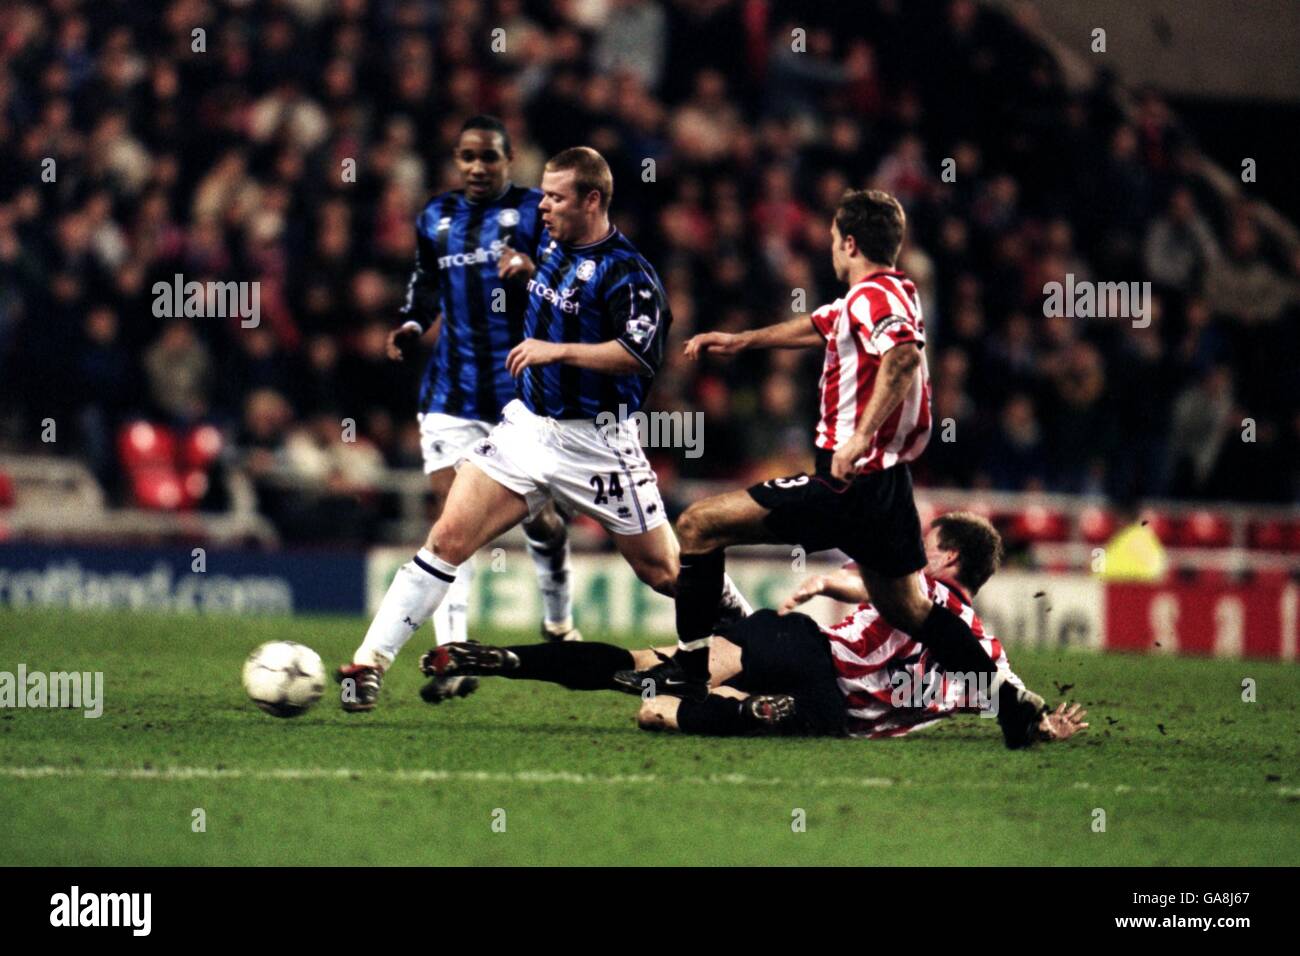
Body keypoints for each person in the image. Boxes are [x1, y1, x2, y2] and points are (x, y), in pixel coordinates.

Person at [614, 188, 1048, 748]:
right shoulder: (888, 294)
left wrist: (860, 436)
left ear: (848, 242)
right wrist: (742, 341)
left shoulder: (874, 301)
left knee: (699, 525)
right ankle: (1008, 699)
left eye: (832, 241)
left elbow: (904, 356)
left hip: (849, 481)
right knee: (912, 608)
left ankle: (694, 673)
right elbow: (822, 325)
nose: (829, 251)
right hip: (888, 486)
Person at [338, 145, 748, 712]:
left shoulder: (629, 273)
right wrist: (527, 272)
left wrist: (556, 350)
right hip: (527, 430)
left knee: (665, 572)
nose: (544, 207)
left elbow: (639, 352)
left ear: (592, 200)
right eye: (544, 194)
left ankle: (756, 633)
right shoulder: (552, 245)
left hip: (598, 442)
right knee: (446, 540)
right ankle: (367, 665)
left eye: (556, 197)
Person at [421, 512, 1088, 745]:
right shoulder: (982, 648)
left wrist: (831, 582)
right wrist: (1039, 725)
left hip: (801, 647)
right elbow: (1007, 690)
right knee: (659, 701)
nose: (911, 546)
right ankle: (719, 709)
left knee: (654, 665)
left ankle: (503, 658)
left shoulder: (910, 587)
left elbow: (897, 594)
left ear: (944, 558)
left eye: (925, 541)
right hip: (831, 716)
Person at [367, 115, 581, 709]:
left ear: (510, 158)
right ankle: (454, 657)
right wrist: (412, 324)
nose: (477, 168)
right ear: (456, 160)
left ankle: (558, 617)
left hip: (522, 392)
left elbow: (574, 285)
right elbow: (424, 284)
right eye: (466, 157)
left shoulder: (542, 212)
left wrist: (534, 272)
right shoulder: (435, 218)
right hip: (450, 395)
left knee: (542, 522)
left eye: (488, 157)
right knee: (448, 523)